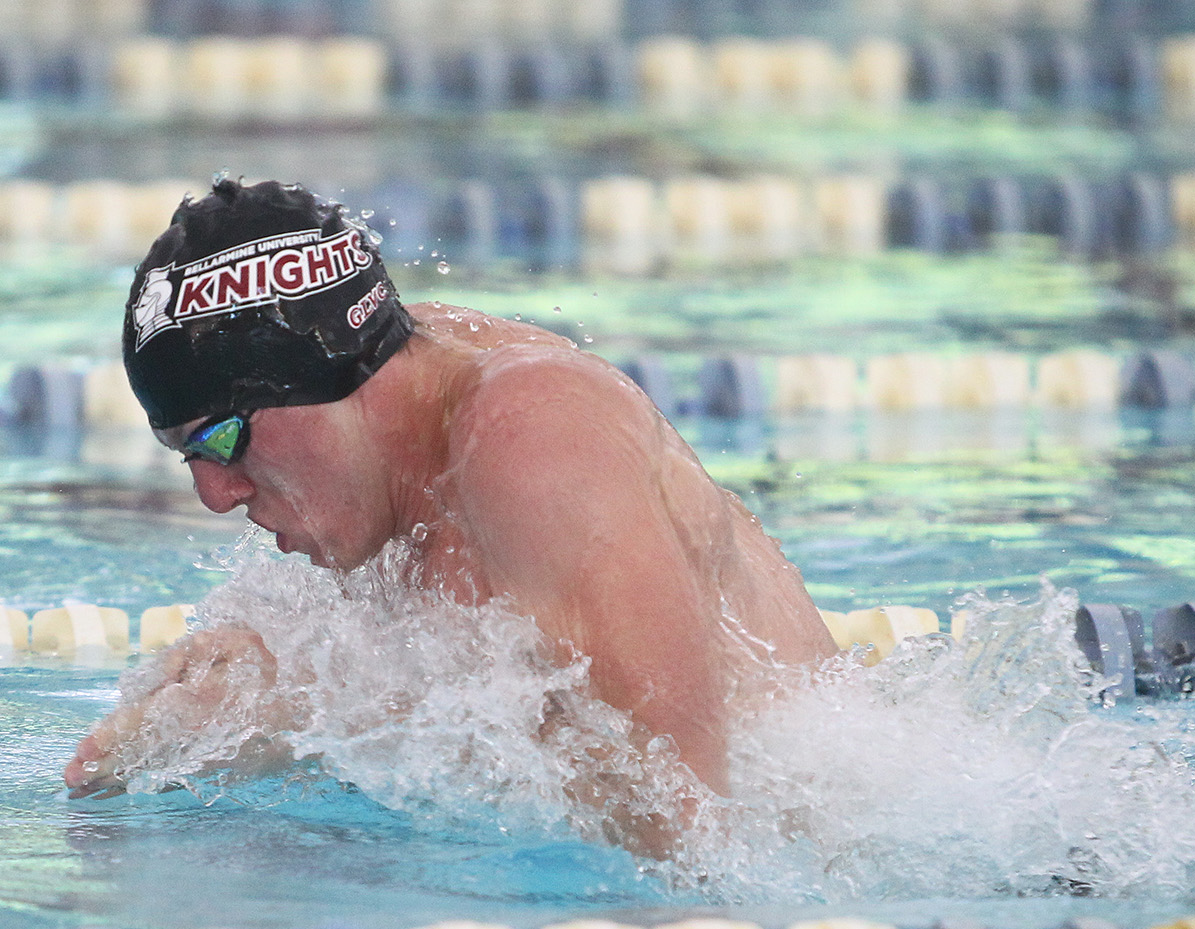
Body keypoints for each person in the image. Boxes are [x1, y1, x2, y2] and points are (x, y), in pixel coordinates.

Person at [66, 176, 836, 823]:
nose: (214, 495)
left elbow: (685, 825)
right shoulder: (398, 412)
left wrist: (311, 716)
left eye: (223, 440)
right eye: (186, 456)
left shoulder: (532, 435)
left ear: (325, 383)